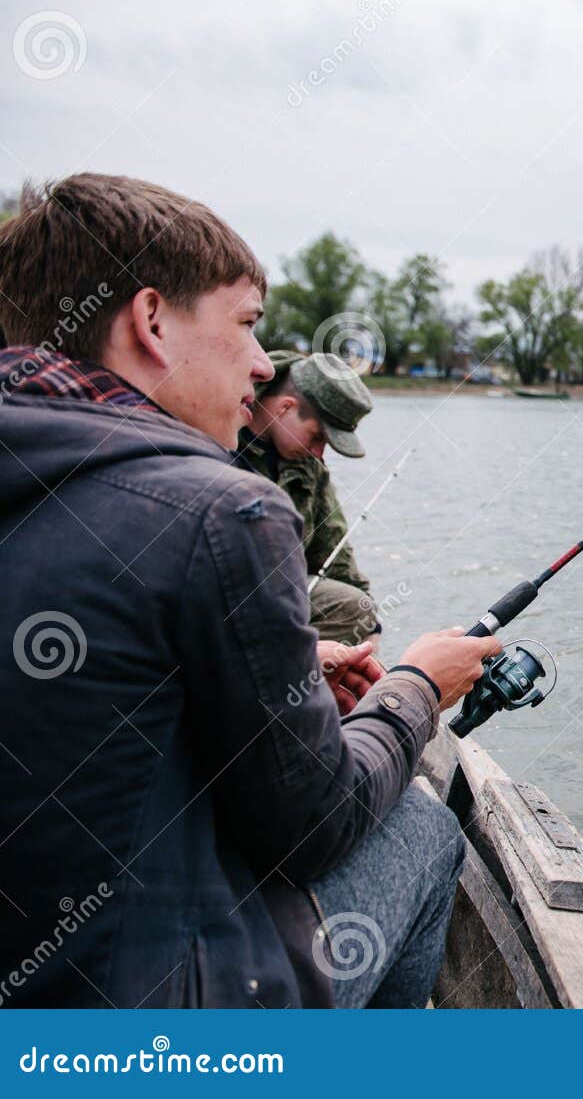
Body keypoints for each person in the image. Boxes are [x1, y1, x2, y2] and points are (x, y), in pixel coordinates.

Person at [0, 173, 502, 1007]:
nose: (265, 363)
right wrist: (417, 688)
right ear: (151, 321)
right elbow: (315, 828)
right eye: (245, 325)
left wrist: (295, 657)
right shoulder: (221, 512)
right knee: (421, 830)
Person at [236, 350, 381, 648]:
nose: (318, 453)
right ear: (285, 408)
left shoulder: (309, 467)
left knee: (356, 606)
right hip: (220, 594)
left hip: (280, 596)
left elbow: (334, 551)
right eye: (317, 437)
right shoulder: (214, 432)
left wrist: (370, 624)